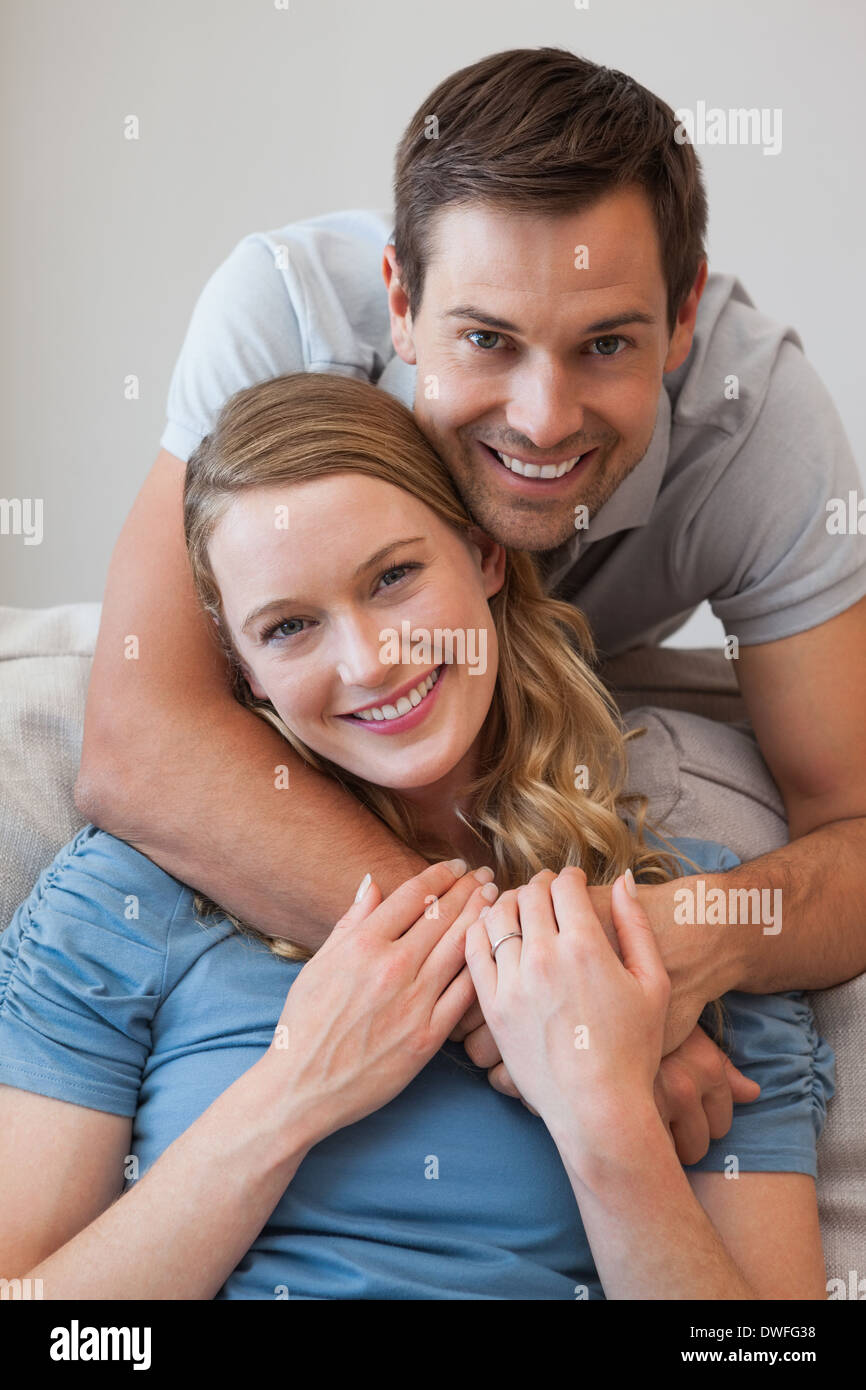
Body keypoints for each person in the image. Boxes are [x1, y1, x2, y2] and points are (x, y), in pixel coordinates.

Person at [74, 46, 866, 1153]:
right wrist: (542, 984)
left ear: (680, 316)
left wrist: (686, 942)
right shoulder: (285, 316)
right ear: (400, 300)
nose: (542, 420)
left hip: (565, 680)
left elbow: (853, 828)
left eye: (604, 344)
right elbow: (135, 737)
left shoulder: (758, 421)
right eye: (485, 339)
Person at [0, 373, 833, 1300]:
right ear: (246, 673)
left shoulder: (681, 937)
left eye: (393, 578)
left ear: (484, 557)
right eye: (289, 627)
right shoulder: (128, 898)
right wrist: (294, 1093)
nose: (366, 662)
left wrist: (606, 1122)